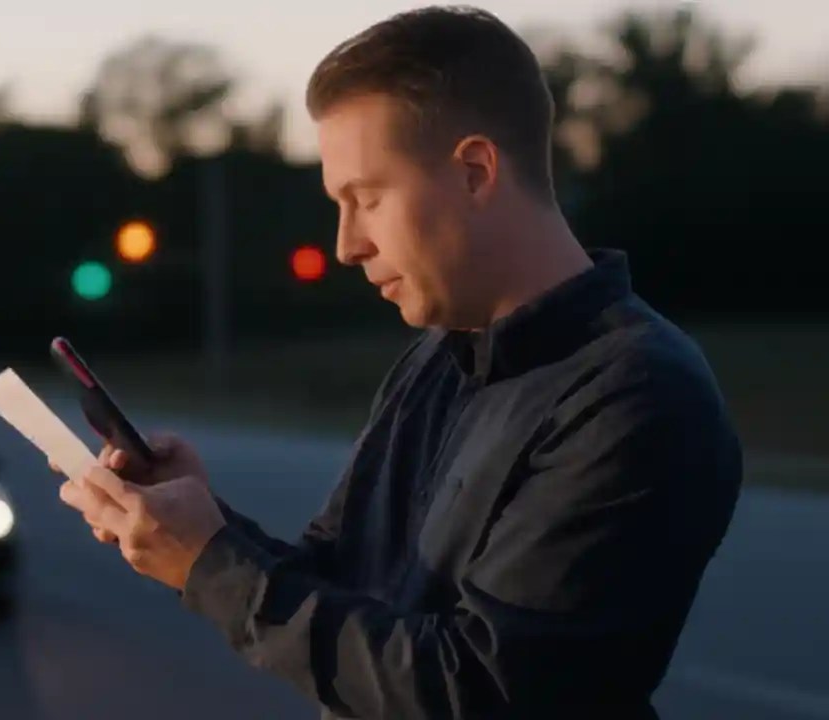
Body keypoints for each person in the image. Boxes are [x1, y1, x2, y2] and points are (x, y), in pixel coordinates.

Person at [54, 5, 743, 719]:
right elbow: (340, 578)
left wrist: (211, 561)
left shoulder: (637, 392)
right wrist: (200, 527)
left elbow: (480, 691)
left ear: (476, 171)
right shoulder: (437, 359)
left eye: (367, 198)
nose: (347, 244)